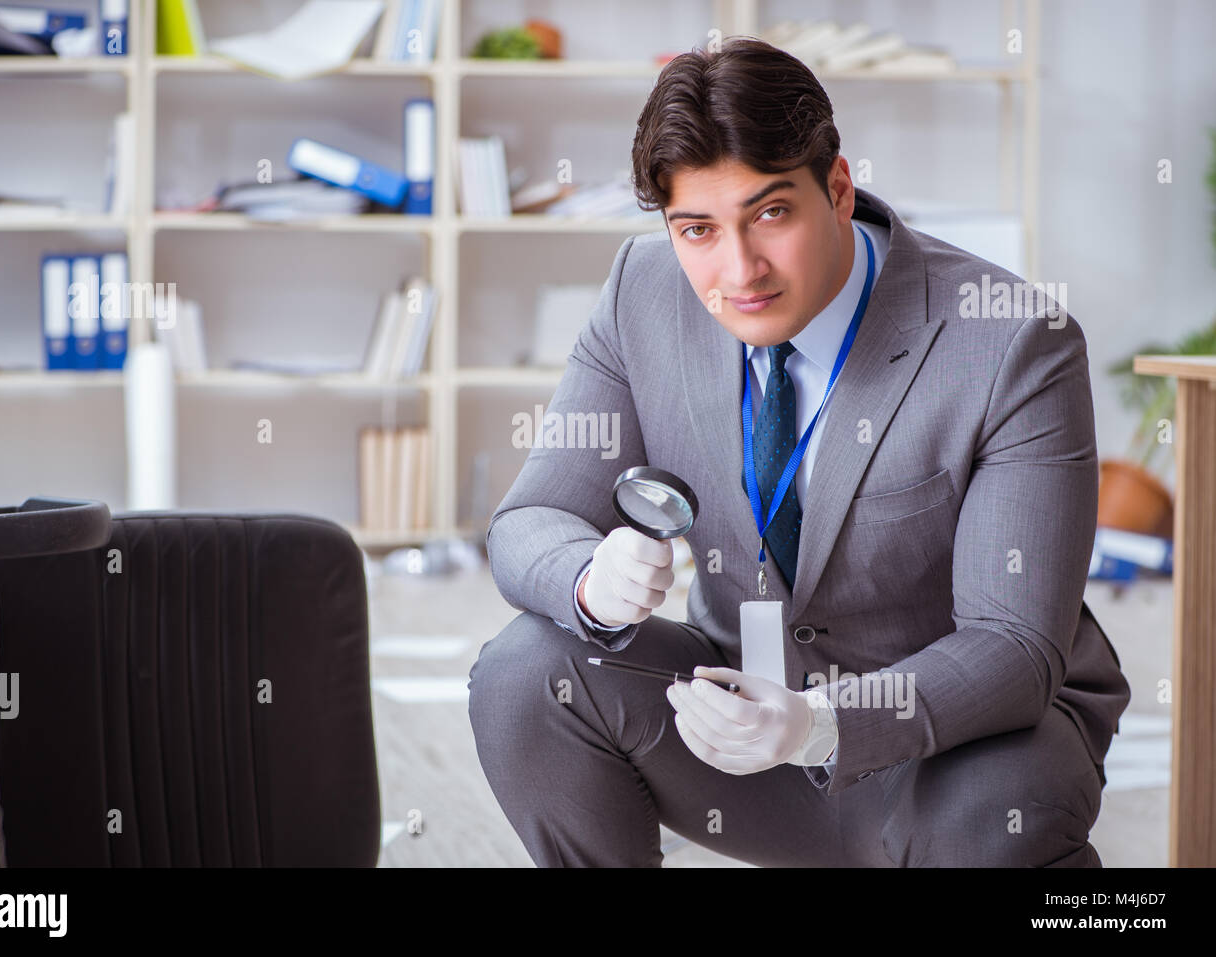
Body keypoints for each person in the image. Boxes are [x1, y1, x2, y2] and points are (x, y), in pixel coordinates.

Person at [467, 36, 1130, 867]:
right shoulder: (642, 293)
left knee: (992, 816)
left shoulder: (1011, 342)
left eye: (770, 213)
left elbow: (1013, 645)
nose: (738, 269)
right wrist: (588, 579)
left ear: (839, 189)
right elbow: (530, 518)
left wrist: (822, 723)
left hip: (961, 746)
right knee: (526, 672)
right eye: (698, 229)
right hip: (747, 729)